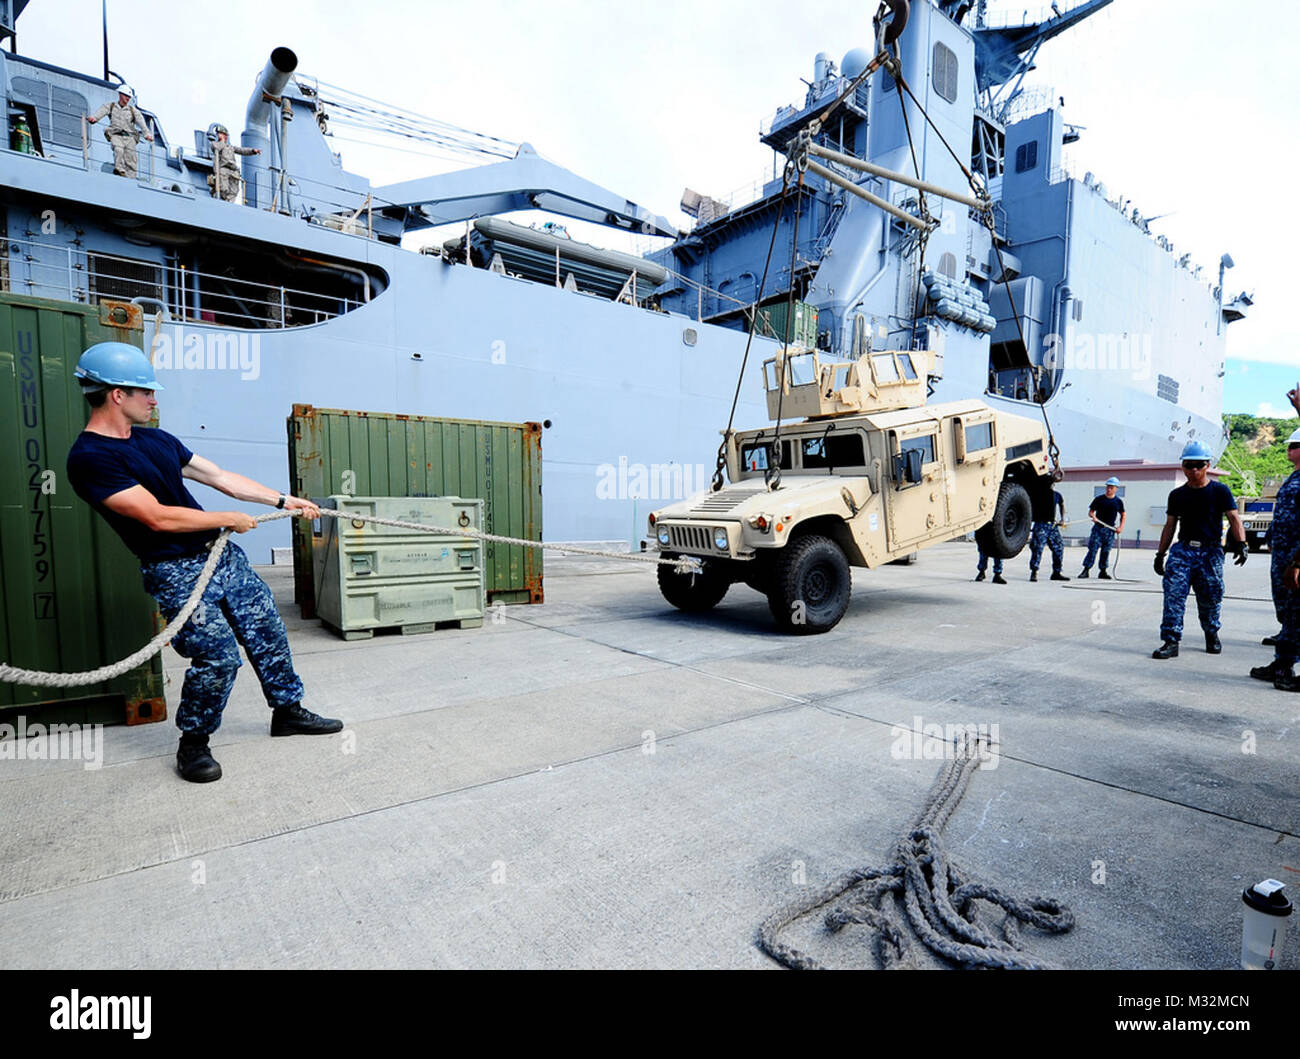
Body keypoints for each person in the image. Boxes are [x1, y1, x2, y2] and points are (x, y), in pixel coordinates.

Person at [65, 342, 341, 783]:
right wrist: (227, 519)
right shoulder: (90, 459)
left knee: (267, 630)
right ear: (117, 394)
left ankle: (288, 712)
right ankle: (193, 744)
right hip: (174, 570)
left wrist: (283, 500)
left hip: (220, 556)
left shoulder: (157, 440)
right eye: (146, 392)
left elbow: (219, 477)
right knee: (217, 657)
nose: (154, 400)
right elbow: (155, 516)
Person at [1151, 441, 1248, 659]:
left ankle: (1211, 633)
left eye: (1199, 465)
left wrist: (1241, 544)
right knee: (1174, 595)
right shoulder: (1177, 495)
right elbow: (1170, 525)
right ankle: (1171, 640)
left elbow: (1234, 518)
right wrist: (1160, 554)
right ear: (1183, 466)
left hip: (1210, 552)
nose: (1194, 470)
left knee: (1210, 597)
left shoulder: (1220, 491)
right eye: (1189, 465)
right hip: (1183, 551)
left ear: (1208, 465)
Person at [1251, 396, 1300, 689]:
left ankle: (1285, 666)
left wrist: (1296, 562)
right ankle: (1282, 662)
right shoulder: (1294, 477)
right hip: (1283, 555)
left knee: (1296, 611)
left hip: (1296, 557)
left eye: (1294, 446)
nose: (1288, 449)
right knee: (1288, 610)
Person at [87, 84, 153, 178]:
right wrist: (94, 118)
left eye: (129, 97)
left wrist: (147, 134)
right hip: (116, 134)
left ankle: (131, 178)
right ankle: (119, 171)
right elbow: (102, 111)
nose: (127, 99)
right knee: (118, 149)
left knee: (131, 158)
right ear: (120, 95)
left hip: (130, 137)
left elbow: (141, 122)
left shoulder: (132, 110)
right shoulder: (111, 106)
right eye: (126, 96)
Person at [1079, 476, 1126, 579]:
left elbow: (1123, 514)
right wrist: (1093, 517)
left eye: (1111, 487)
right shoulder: (1099, 499)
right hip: (1098, 529)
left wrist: (1120, 527)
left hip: (1110, 530)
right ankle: (1086, 570)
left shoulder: (1118, 502)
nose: (1109, 489)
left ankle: (1103, 571)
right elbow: (1091, 512)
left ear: (1116, 489)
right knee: (1093, 549)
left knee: (1106, 551)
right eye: (1108, 487)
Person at [1028, 475, 1070, 582]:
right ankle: (1034, 572)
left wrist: (1062, 519)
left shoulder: (1056, 495)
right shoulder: (1036, 494)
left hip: (1052, 525)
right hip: (1040, 524)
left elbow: (1061, 504)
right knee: (1037, 548)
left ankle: (1056, 572)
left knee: (1059, 547)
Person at [206, 123, 260, 202]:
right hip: (223, 169)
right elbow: (217, 148)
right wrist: (222, 141)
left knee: (234, 191)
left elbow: (242, 150)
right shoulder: (215, 144)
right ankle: (224, 202)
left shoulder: (231, 147)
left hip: (233, 171)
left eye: (224, 135)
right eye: (221, 134)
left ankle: (230, 204)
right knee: (223, 189)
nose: (224, 136)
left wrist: (253, 151)